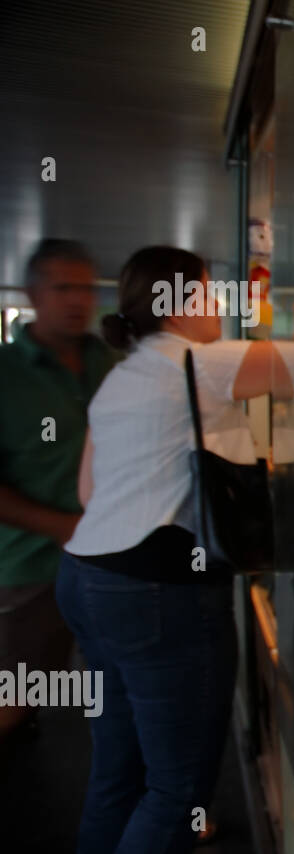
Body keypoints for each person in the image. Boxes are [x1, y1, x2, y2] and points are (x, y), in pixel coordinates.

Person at [55, 245, 294, 854]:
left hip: (87, 579)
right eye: (210, 290)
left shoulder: (120, 377)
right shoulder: (201, 363)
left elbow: (87, 492)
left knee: (117, 774)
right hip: (159, 591)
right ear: (184, 301)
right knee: (177, 791)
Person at [0, 239, 117, 740]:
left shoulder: (113, 366)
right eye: (62, 287)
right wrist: (63, 527)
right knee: (17, 703)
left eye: (86, 288)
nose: (76, 300)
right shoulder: (6, 373)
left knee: (120, 700)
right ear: (32, 292)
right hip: (30, 569)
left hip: (114, 564)